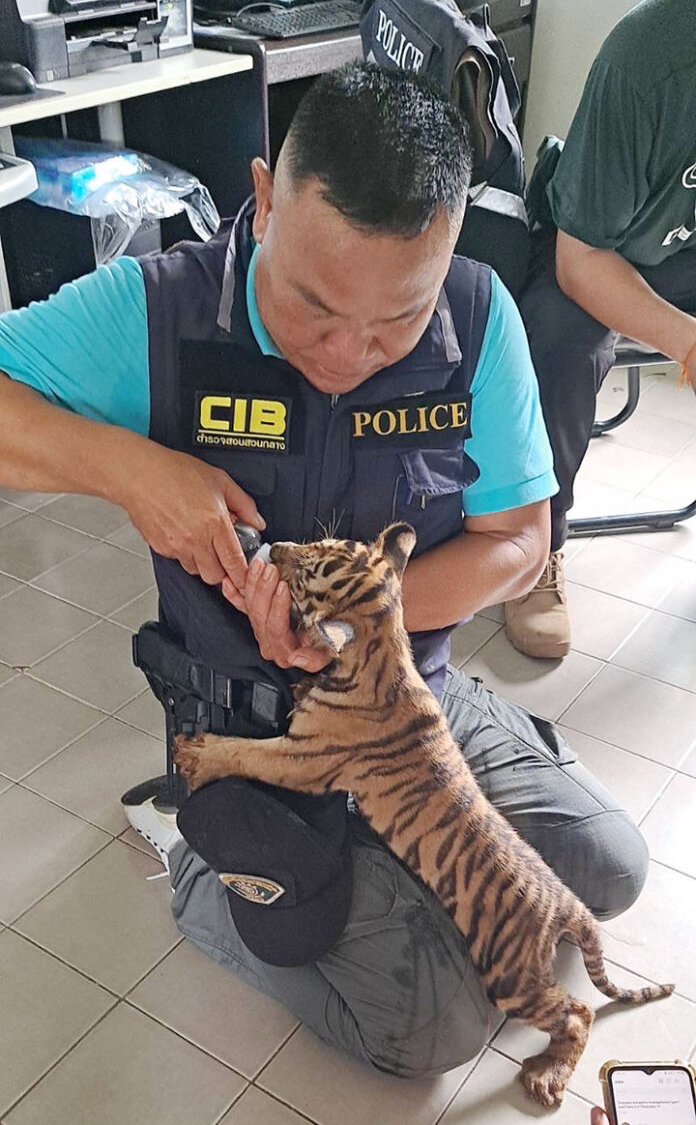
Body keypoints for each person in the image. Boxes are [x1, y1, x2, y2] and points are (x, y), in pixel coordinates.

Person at [0, 63, 649, 1078]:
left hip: (411, 693)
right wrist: (132, 470)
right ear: (260, 200)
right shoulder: (162, 312)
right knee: (432, 1027)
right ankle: (199, 867)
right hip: (248, 719)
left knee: (610, 871)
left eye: (396, 319)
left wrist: (363, 629)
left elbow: (520, 545)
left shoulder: (479, 316)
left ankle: (379, 863)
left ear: (446, 254)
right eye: (312, 304)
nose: (349, 353)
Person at [505, 0, 696, 661]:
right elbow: (580, 259)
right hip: (592, 244)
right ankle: (536, 553)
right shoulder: (650, 58)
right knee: (558, 340)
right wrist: (687, 343)